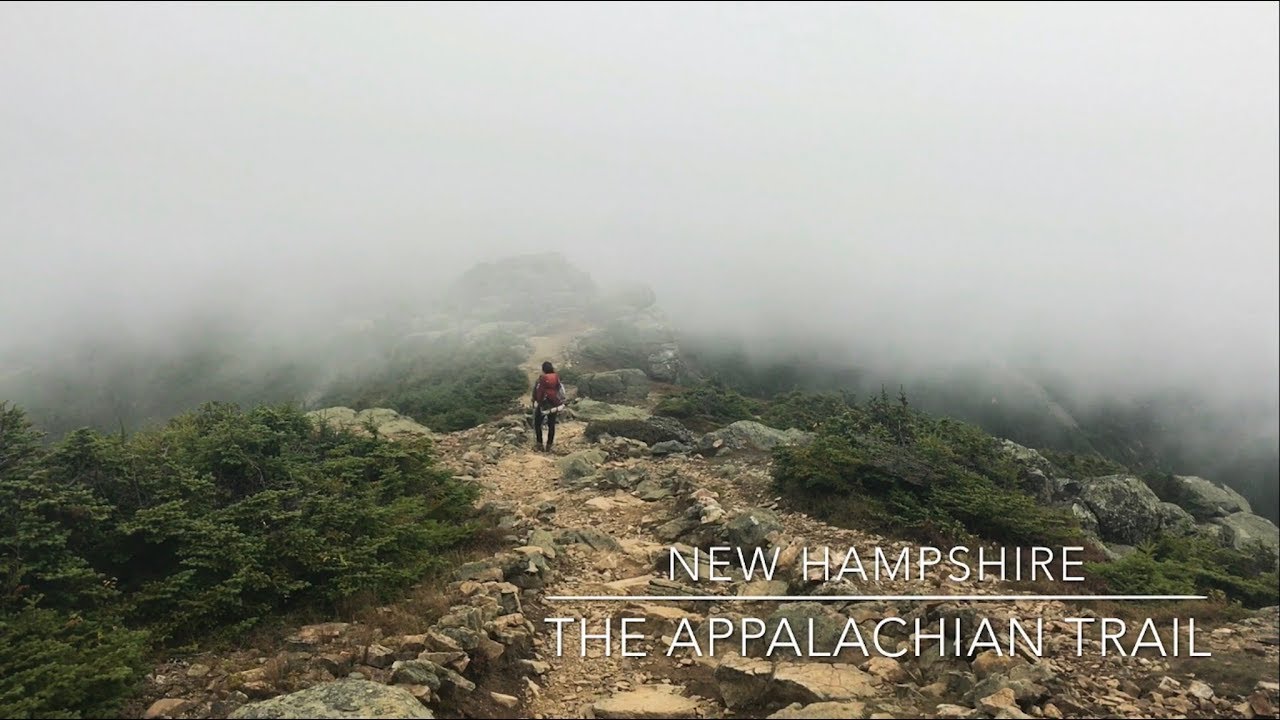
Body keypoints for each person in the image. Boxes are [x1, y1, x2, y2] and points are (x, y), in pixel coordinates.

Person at [531, 361, 566, 452]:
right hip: (554, 403)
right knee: (551, 424)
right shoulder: (556, 377)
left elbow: (537, 391)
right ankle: (549, 445)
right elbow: (559, 389)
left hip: (543, 404)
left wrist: (535, 400)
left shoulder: (541, 379)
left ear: (543, 369)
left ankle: (539, 444)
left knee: (537, 424)